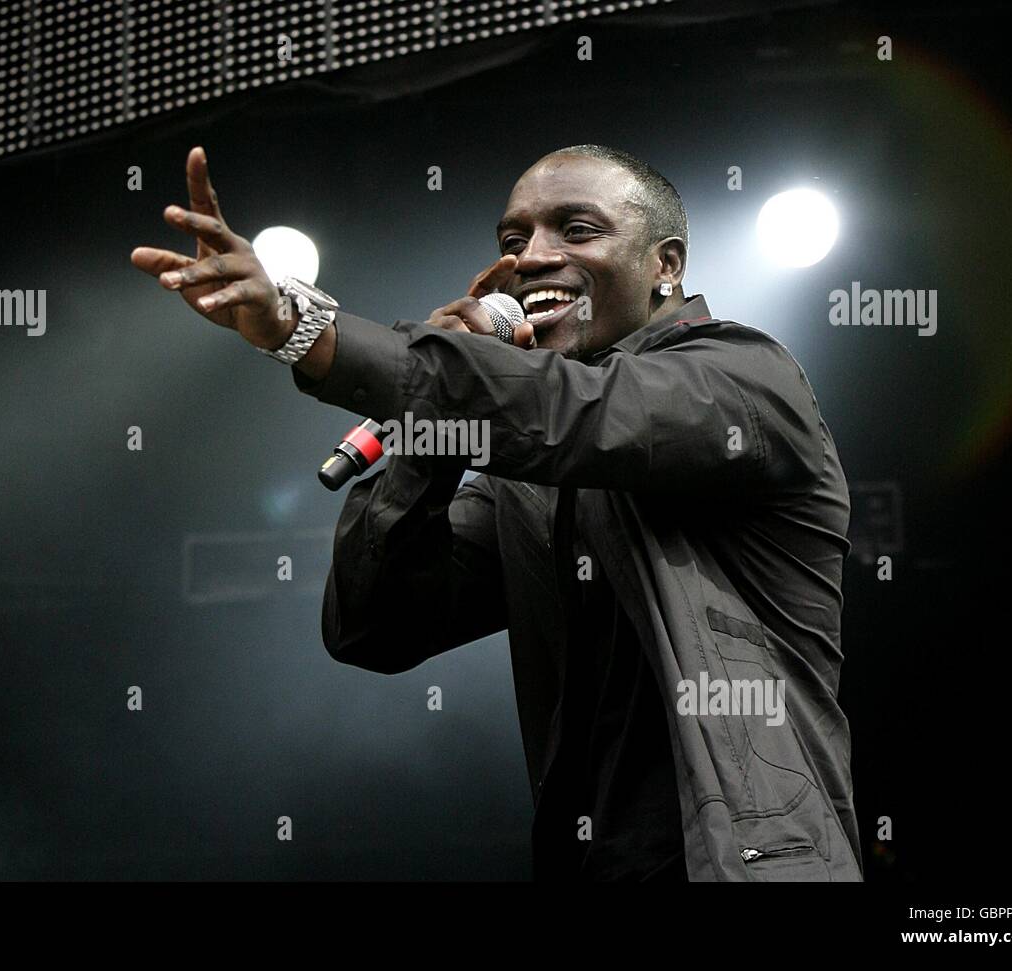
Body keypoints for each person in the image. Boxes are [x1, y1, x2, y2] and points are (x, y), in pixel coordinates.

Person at [131, 143, 863, 881]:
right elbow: (374, 625)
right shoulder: (528, 474)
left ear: (665, 264)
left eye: (577, 230)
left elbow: (579, 414)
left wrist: (310, 331)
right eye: (513, 242)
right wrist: (434, 429)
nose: (532, 257)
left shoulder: (745, 379)